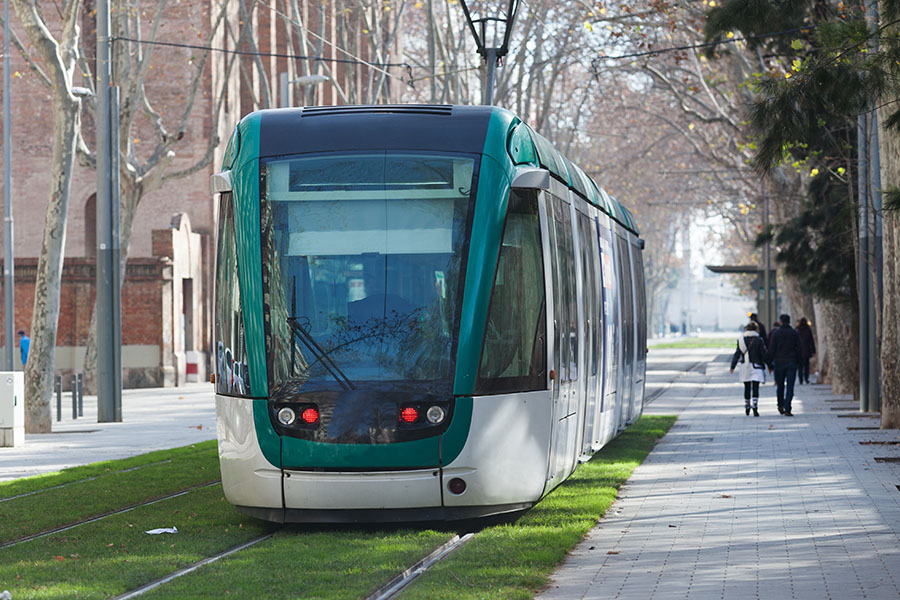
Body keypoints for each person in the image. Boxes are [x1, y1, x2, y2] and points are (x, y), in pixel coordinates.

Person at [767, 314, 802, 416]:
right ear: (789, 321)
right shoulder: (795, 333)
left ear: (780, 322)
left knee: (780, 385)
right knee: (790, 386)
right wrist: (799, 362)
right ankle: (788, 407)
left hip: (779, 362)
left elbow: (772, 349)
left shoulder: (776, 333)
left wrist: (769, 364)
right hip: (792, 362)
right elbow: (799, 348)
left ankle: (780, 405)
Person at [730, 321, 767, 416]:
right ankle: (755, 406)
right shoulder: (759, 340)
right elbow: (763, 354)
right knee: (755, 387)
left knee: (747, 387)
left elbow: (737, 354)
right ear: (756, 329)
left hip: (745, 366)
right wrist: (770, 365)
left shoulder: (741, 340)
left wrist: (732, 366)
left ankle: (747, 405)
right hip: (756, 366)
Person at [796, 317, 816, 384]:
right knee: (806, 365)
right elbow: (811, 341)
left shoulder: (797, 330)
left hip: (799, 351)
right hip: (806, 350)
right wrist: (813, 351)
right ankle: (806, 378)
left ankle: (800, 379)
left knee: (800, 366)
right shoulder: (808, 329)